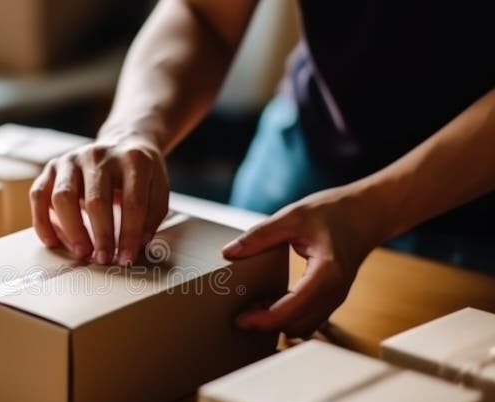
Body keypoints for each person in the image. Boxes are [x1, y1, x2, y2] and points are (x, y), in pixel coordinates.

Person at [29, 0, 495, 338]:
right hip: (306, 149)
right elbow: (205, 14)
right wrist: (131, 130)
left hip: (474, 203)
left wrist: (374, 209)